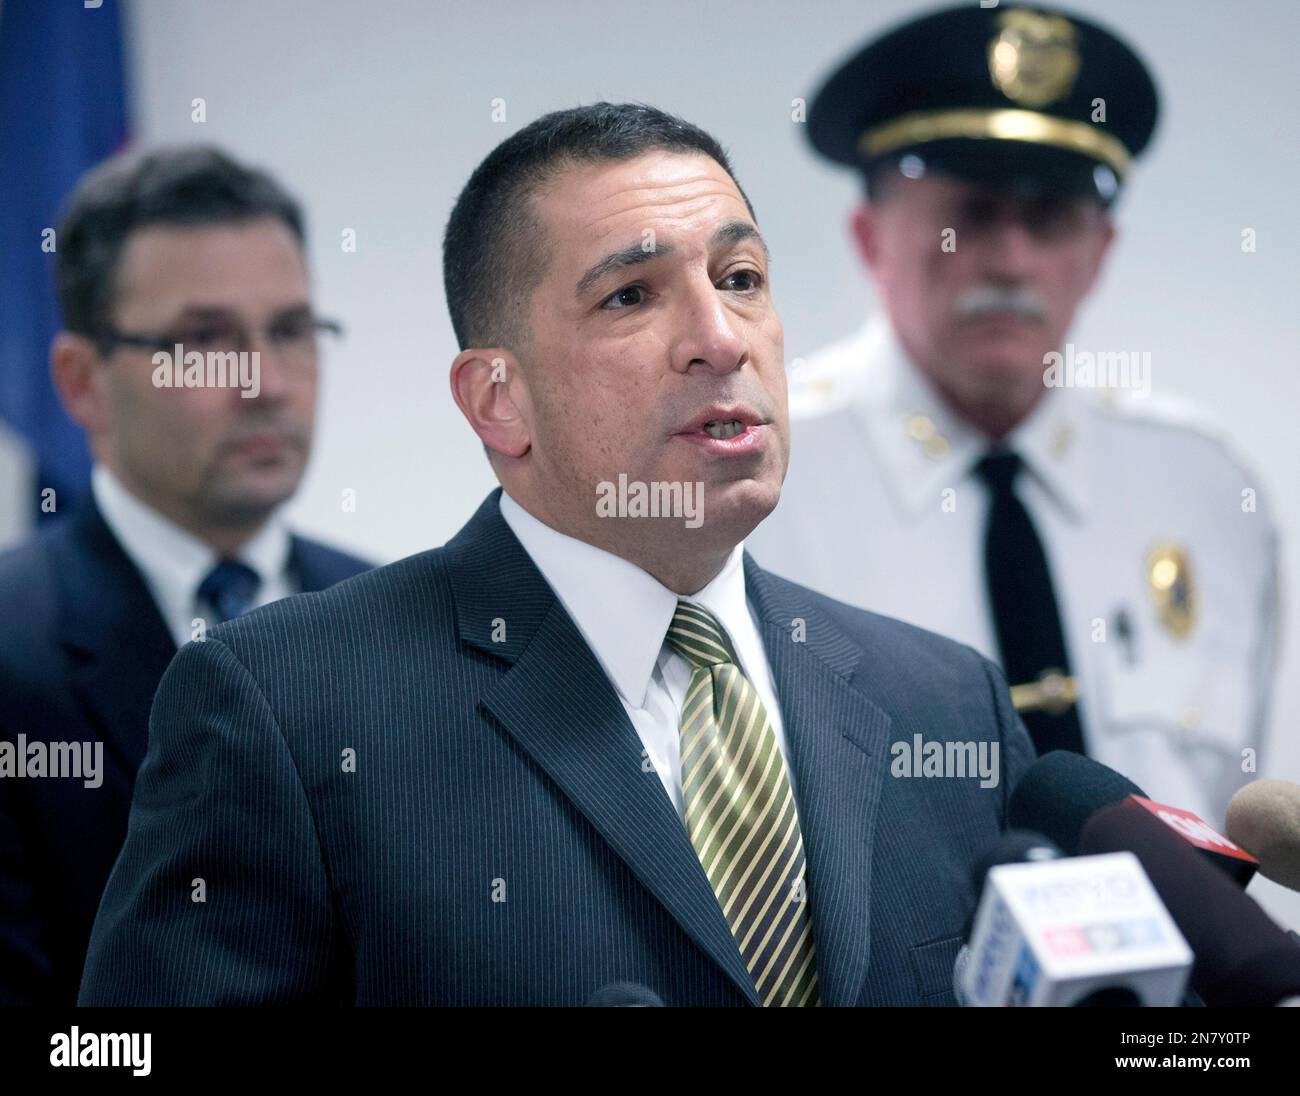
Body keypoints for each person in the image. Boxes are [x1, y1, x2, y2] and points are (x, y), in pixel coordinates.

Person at [79, 104, 1032, 1007]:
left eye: (741, 279)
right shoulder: (285, 711)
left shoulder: (949, 704)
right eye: (631, 295)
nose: (719, 340)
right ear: (499, 400)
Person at [748, 4, 1278, 829]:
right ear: (871, 238)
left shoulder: (1205, 491)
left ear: (1101, 251)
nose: (1010, 260)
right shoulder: (756, 486)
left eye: (1050, 219)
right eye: (972, 216)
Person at [0, 146, 372, 1005]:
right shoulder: (14, 652)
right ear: (82, 382)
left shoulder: (395, 619)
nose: (267, 383)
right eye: (203, 341)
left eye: (290, 331)